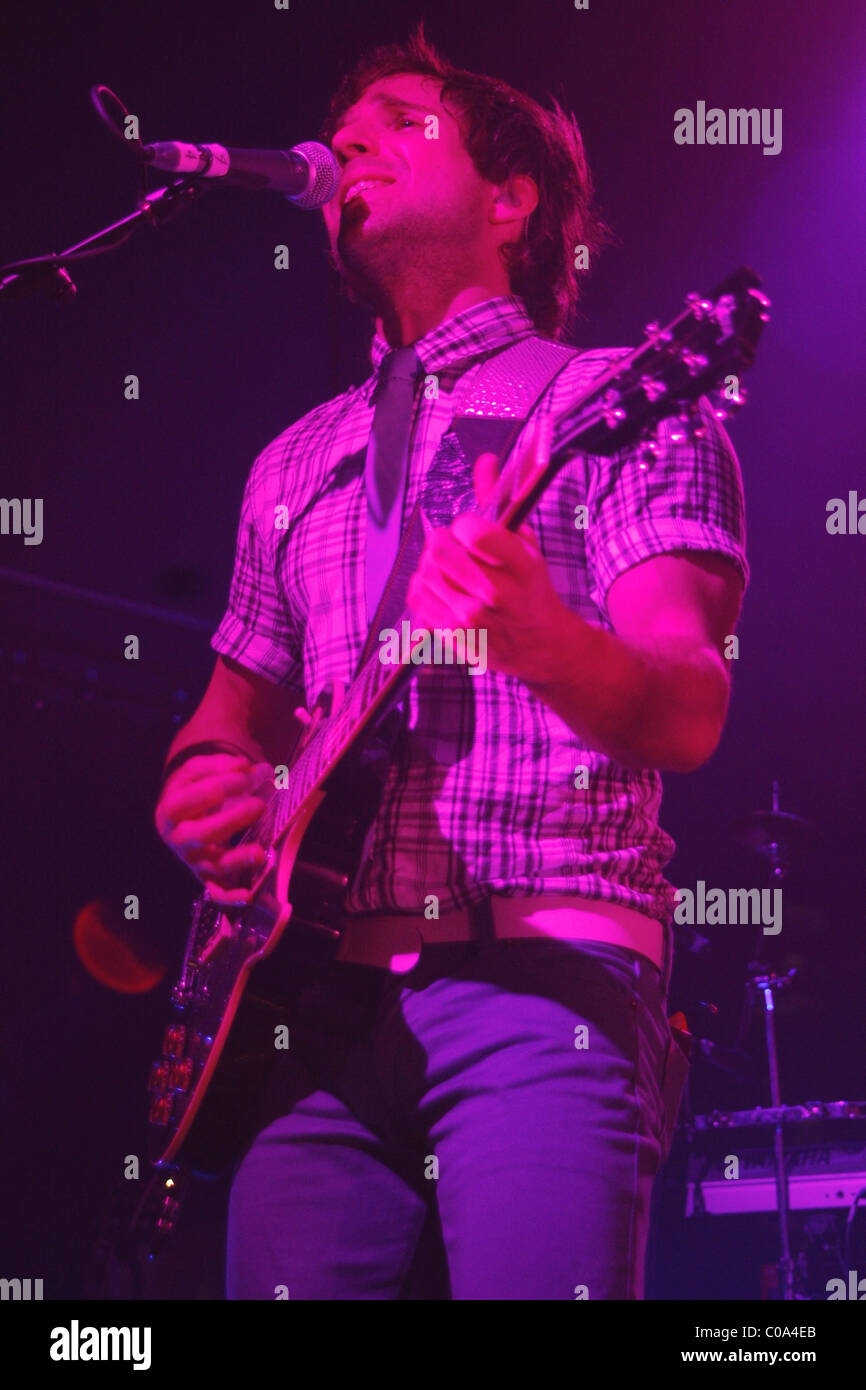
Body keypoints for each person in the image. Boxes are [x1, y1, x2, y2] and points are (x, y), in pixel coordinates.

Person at [154, 26, 747, 1300]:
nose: (352, 139)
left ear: (510, 200)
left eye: (401, 121)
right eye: (344, 124)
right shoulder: (290, 464)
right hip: (315, 1006)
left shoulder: (615, 400)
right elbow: (226, 728)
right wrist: (206, 791)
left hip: (545, 976)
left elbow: (686, 704)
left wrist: (537, 636)